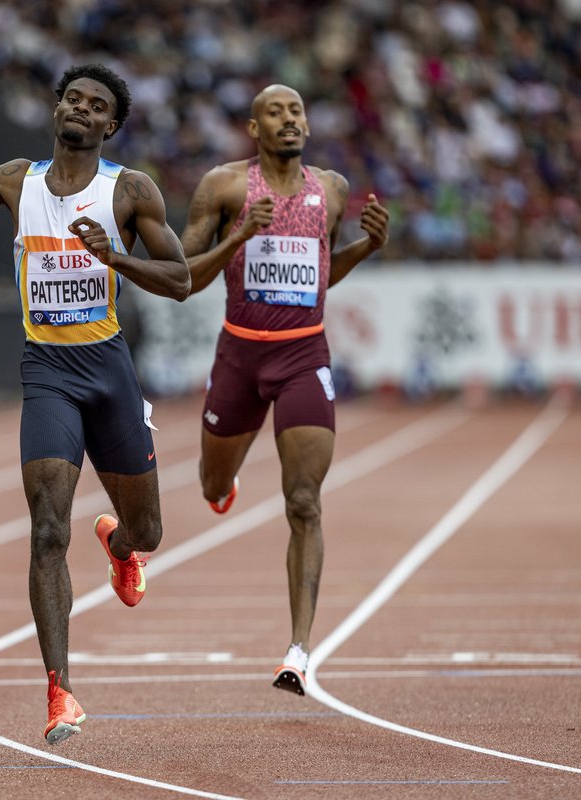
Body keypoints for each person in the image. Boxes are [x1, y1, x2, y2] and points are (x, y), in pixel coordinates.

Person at [0, 52, 190, 743]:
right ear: (56, 110)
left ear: (112, 125)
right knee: (45, 530)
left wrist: (114, 258)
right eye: (72, 99)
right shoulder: (15, 181)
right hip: (48, 372)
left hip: (109, 371)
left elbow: (180, 279)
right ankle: (61, 692)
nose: (80, 108)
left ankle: (121, 548)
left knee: (148, 530)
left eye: (96, 105)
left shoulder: (131, 191)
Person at [179, 84, 388, 696]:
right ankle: (226, 482)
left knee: (304, 502)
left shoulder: (333, 190)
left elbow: (323, 271)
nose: (291, 119)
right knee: (212, 485)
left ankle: (299, 651)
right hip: (240, 357)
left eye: (298, 110)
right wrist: (239, 238)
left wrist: (368, 247)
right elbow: (183, 276)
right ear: (254, 127)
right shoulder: (223, 187)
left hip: (304, 356)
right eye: (277, 112)